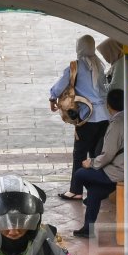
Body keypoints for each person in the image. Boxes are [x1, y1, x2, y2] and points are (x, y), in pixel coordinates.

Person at [48, 34, 109, 201]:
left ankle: (76, 190)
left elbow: (60, 86)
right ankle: (97, 190)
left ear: (79, 48)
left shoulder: (75, 66)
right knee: (96, 155)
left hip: (87, 117)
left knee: (80, 154)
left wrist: (52, 98)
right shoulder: (99, 65)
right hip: (104, 116)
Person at [69, 88, 125, 239]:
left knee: (80, 174)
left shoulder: (117, 124)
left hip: (119, 170)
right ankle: (88, 228)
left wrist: (92, 163)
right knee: (94, 191)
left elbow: (108, 154)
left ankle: (99, 195)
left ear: (108, 106)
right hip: (124, 167)